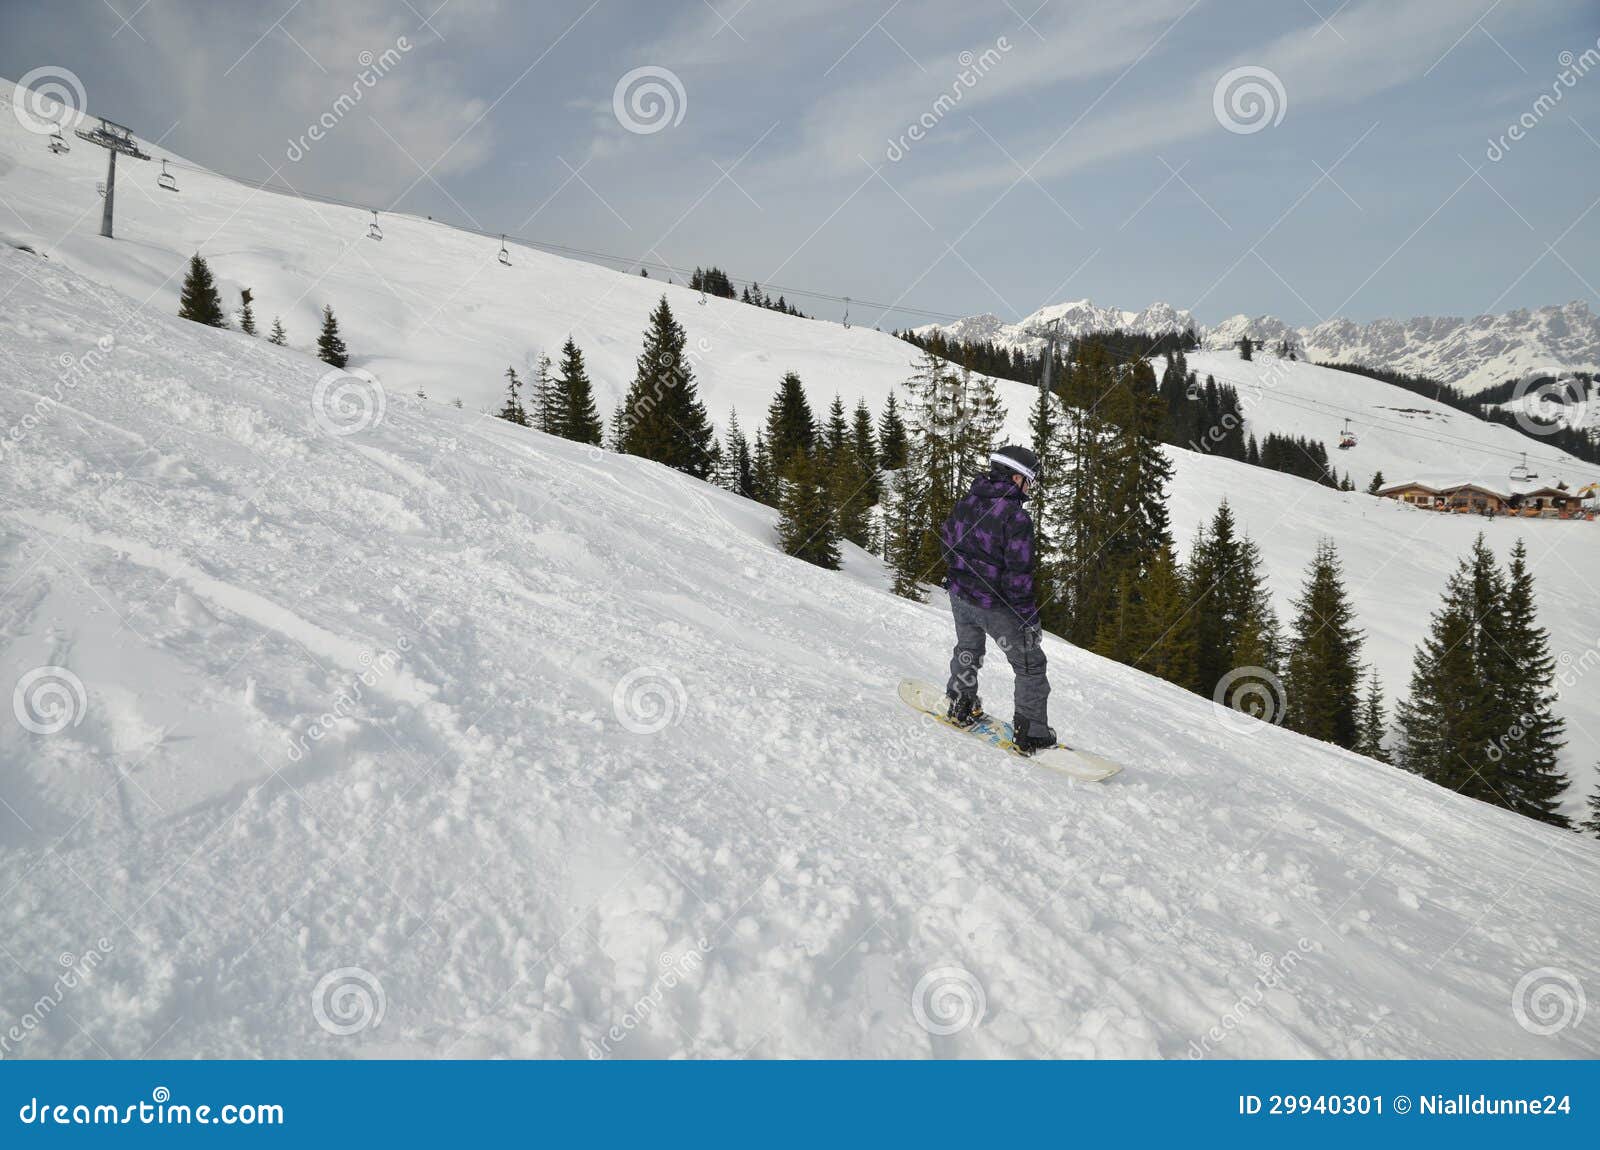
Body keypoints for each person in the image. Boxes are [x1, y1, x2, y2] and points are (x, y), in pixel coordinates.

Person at [939, 444, 1056, 753]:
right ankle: (1031, 731)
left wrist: (961, 577)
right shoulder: (1016, 518)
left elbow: (947, 545)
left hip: (960, 597)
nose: (1031, 487)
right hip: (995, 606)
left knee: (968, 649)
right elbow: (1018, 578)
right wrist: (1028, 619)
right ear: (1015, 477)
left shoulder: (966, 502)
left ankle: (960, 703)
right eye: (1030, 480)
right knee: (1030, 665)